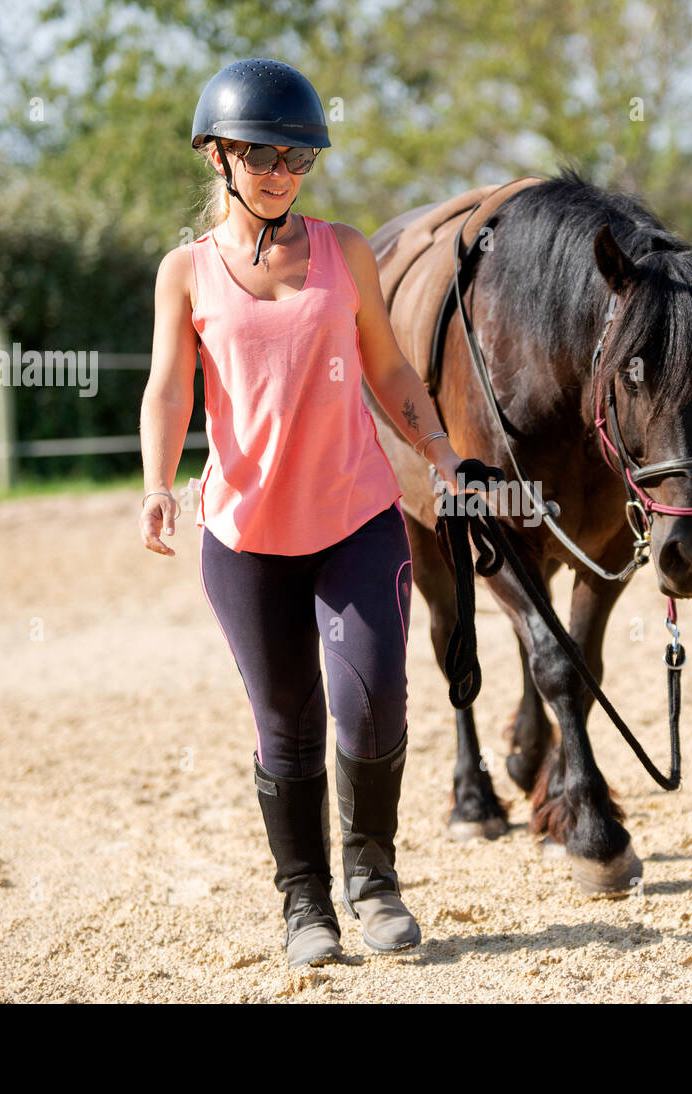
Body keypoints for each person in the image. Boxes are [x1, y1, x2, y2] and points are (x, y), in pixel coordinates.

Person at [137, 58, 497, 967]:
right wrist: (155, 483)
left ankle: (373, 885)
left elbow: (387, 369)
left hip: (358, 518)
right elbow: (169, 388)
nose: (281, 172)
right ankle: (305, 906)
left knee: (371, 699)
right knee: (286, 723)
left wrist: (443, 451)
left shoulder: (346, 253)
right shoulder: (185, 273)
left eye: (298, 157)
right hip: (247, 535)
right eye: (262, 154)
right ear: (217, 155)